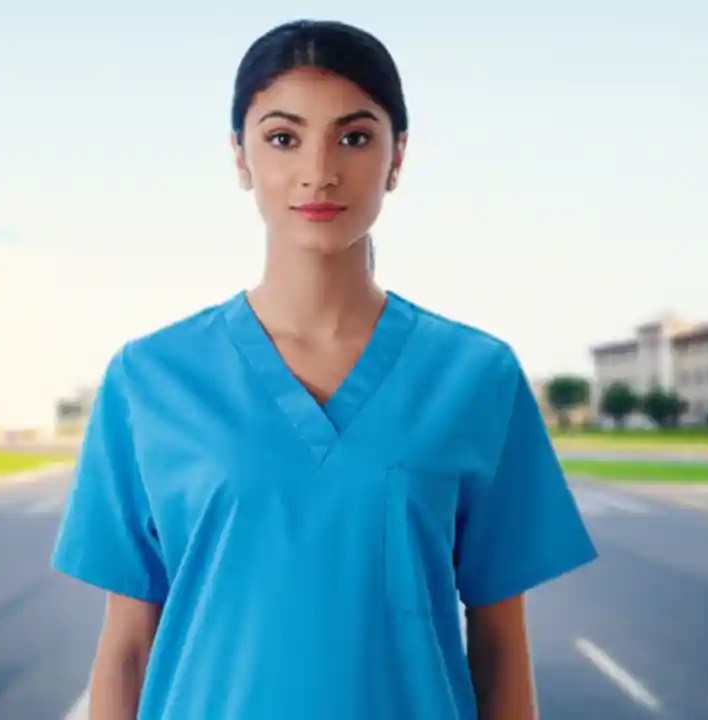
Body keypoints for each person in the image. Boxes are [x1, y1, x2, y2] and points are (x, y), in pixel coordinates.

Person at [52, 18, 598, 720]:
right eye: (283, 138)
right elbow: (127, 646)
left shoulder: (476, 377)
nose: (319, 170)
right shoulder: (149, 379)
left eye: (355, 136)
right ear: (241, 157)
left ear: (397, 157)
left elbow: (498, 646)